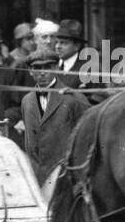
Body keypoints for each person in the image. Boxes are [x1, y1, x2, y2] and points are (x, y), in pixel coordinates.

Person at [20, 51, 89, 185]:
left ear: (57, 68)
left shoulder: (75, 99)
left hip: (66, 178)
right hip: (36, 178)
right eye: (37, 68)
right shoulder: (26, 101)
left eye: (48, 67)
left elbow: (87, 139)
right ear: (30, 71)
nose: (42, 72)